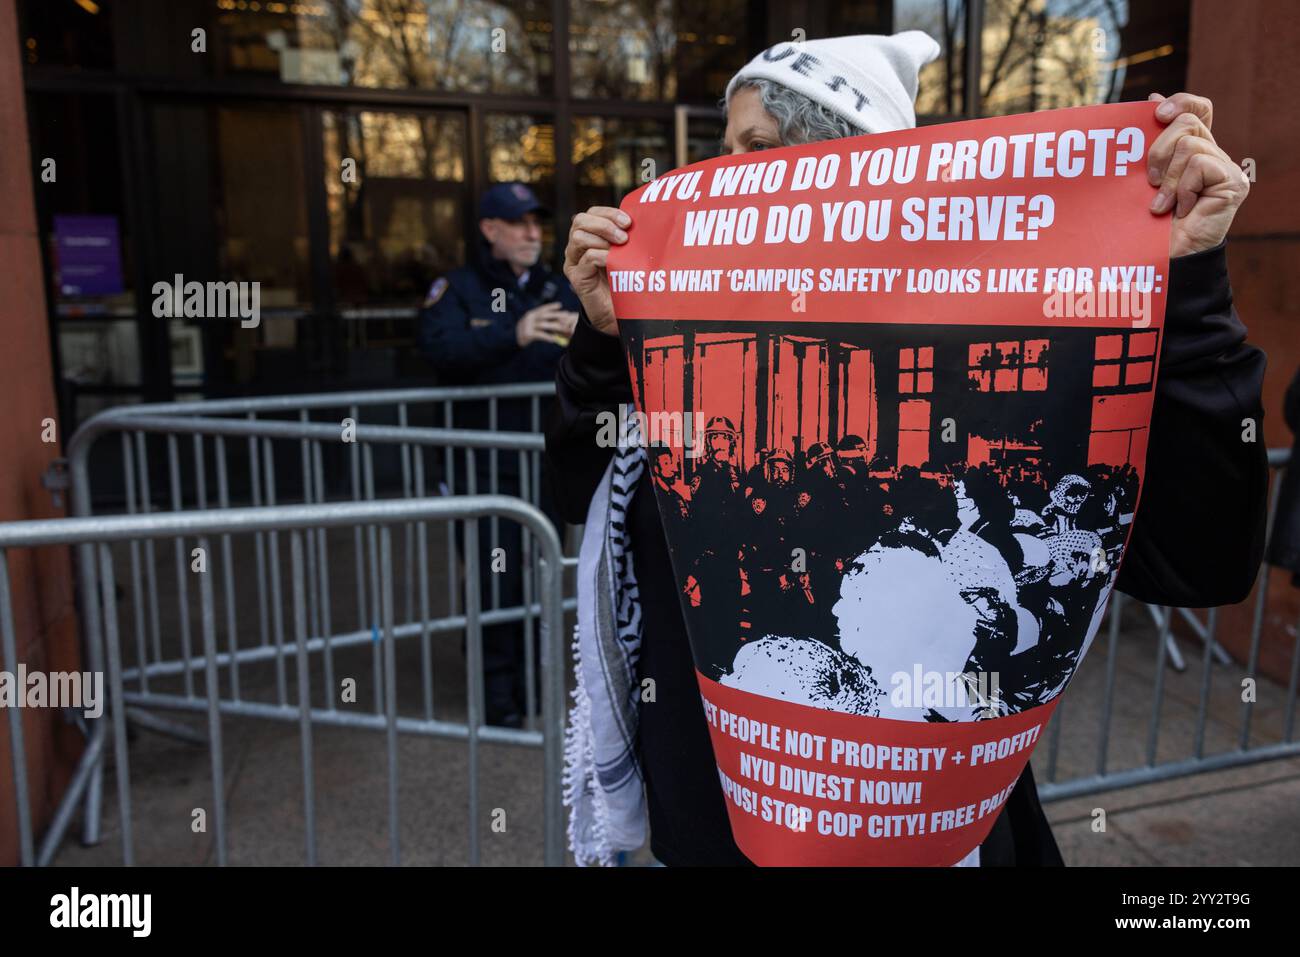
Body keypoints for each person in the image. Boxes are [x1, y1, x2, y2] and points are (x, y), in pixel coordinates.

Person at [546, 32, 1268, 866]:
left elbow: (1203, 565)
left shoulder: (981, 361)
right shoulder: (676, 334)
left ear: (844, 175)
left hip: (918, 830)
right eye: (722, 150)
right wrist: (602, 345)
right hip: (712, 823)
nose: (716, 177)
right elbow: (573, 493)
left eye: (758, 150)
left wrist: (1189, 296)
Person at [418, 182, 581, 728]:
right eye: (519, 223)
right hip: (482, 467)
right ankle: (497, 701)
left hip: (543, 462)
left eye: (537, 222)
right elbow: (440, 351)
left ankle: (534, 690)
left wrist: (586, 335)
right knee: (494, 580)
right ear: (490, 230)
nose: (533, 233)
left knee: (539, 576)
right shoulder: (458, 288)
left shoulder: (559, 287)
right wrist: (512, 334)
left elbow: (592, 360)